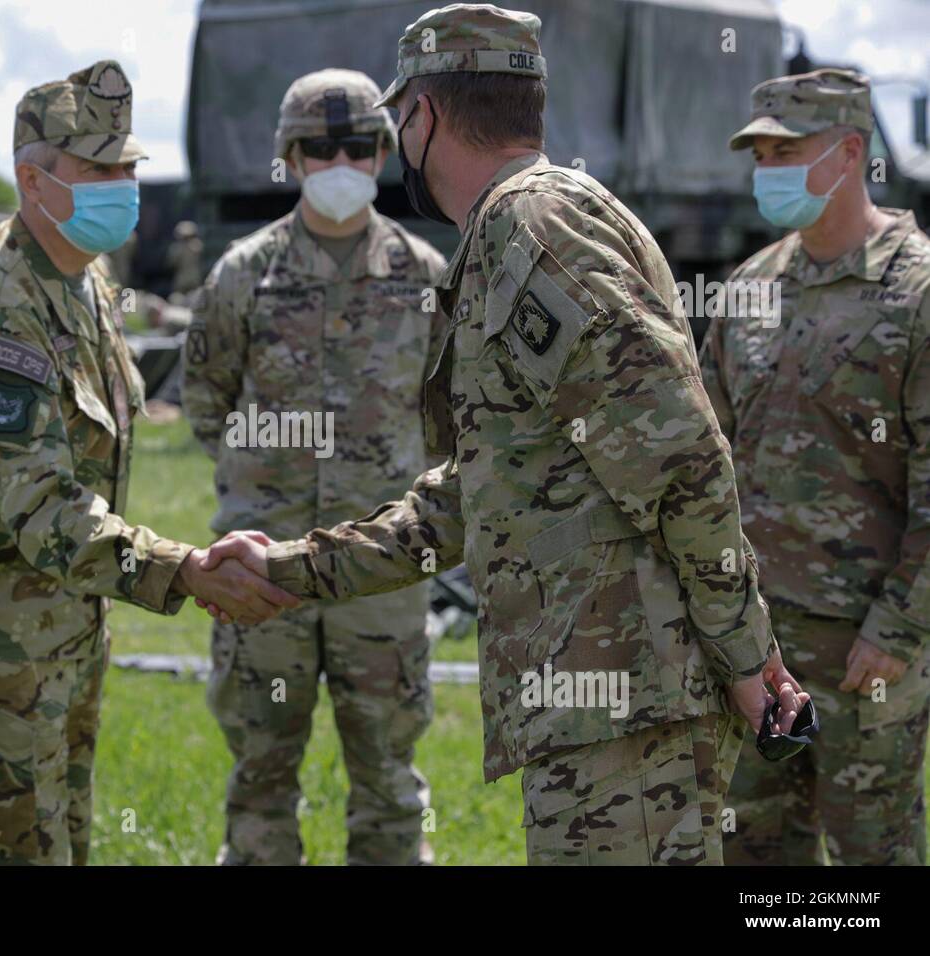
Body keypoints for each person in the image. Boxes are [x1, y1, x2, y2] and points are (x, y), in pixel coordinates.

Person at [201, 3, 809, 866]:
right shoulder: (521, 227)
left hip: (622, 706)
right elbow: (476, 488)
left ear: (422, 117)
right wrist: (293, 568)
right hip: (596, 702)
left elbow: (678, 453)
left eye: (394, 119)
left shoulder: (531, 229)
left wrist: (751, 663)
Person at [0, 60, 298, 866]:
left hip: (71, 633)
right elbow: (43, 505)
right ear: (32, 180)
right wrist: (182, 569)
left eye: (128, 166)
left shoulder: (81, 280)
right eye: (98, 168)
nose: (123, 184)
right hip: (0, 655)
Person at [182, 68, 448, 865]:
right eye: (320, 147)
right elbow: (206, 403)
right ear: (290, 158)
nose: (341, 161)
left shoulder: (426, 278)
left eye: (359, 145)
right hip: (263, 575)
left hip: (383, 576)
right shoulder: (242, 275)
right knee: (260, 781)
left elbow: (449, 415)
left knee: (390, 782)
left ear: (382, 152)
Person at [703, 68, 930, 866]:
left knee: (874, 855)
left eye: (786, 151)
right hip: (757, 652)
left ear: (849, 152)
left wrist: (899, 629)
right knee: (756, 854)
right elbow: (708, 467)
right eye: (759, 154)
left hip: (868, 650)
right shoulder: (748, 290)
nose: (769, 171)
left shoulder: (918, 291)